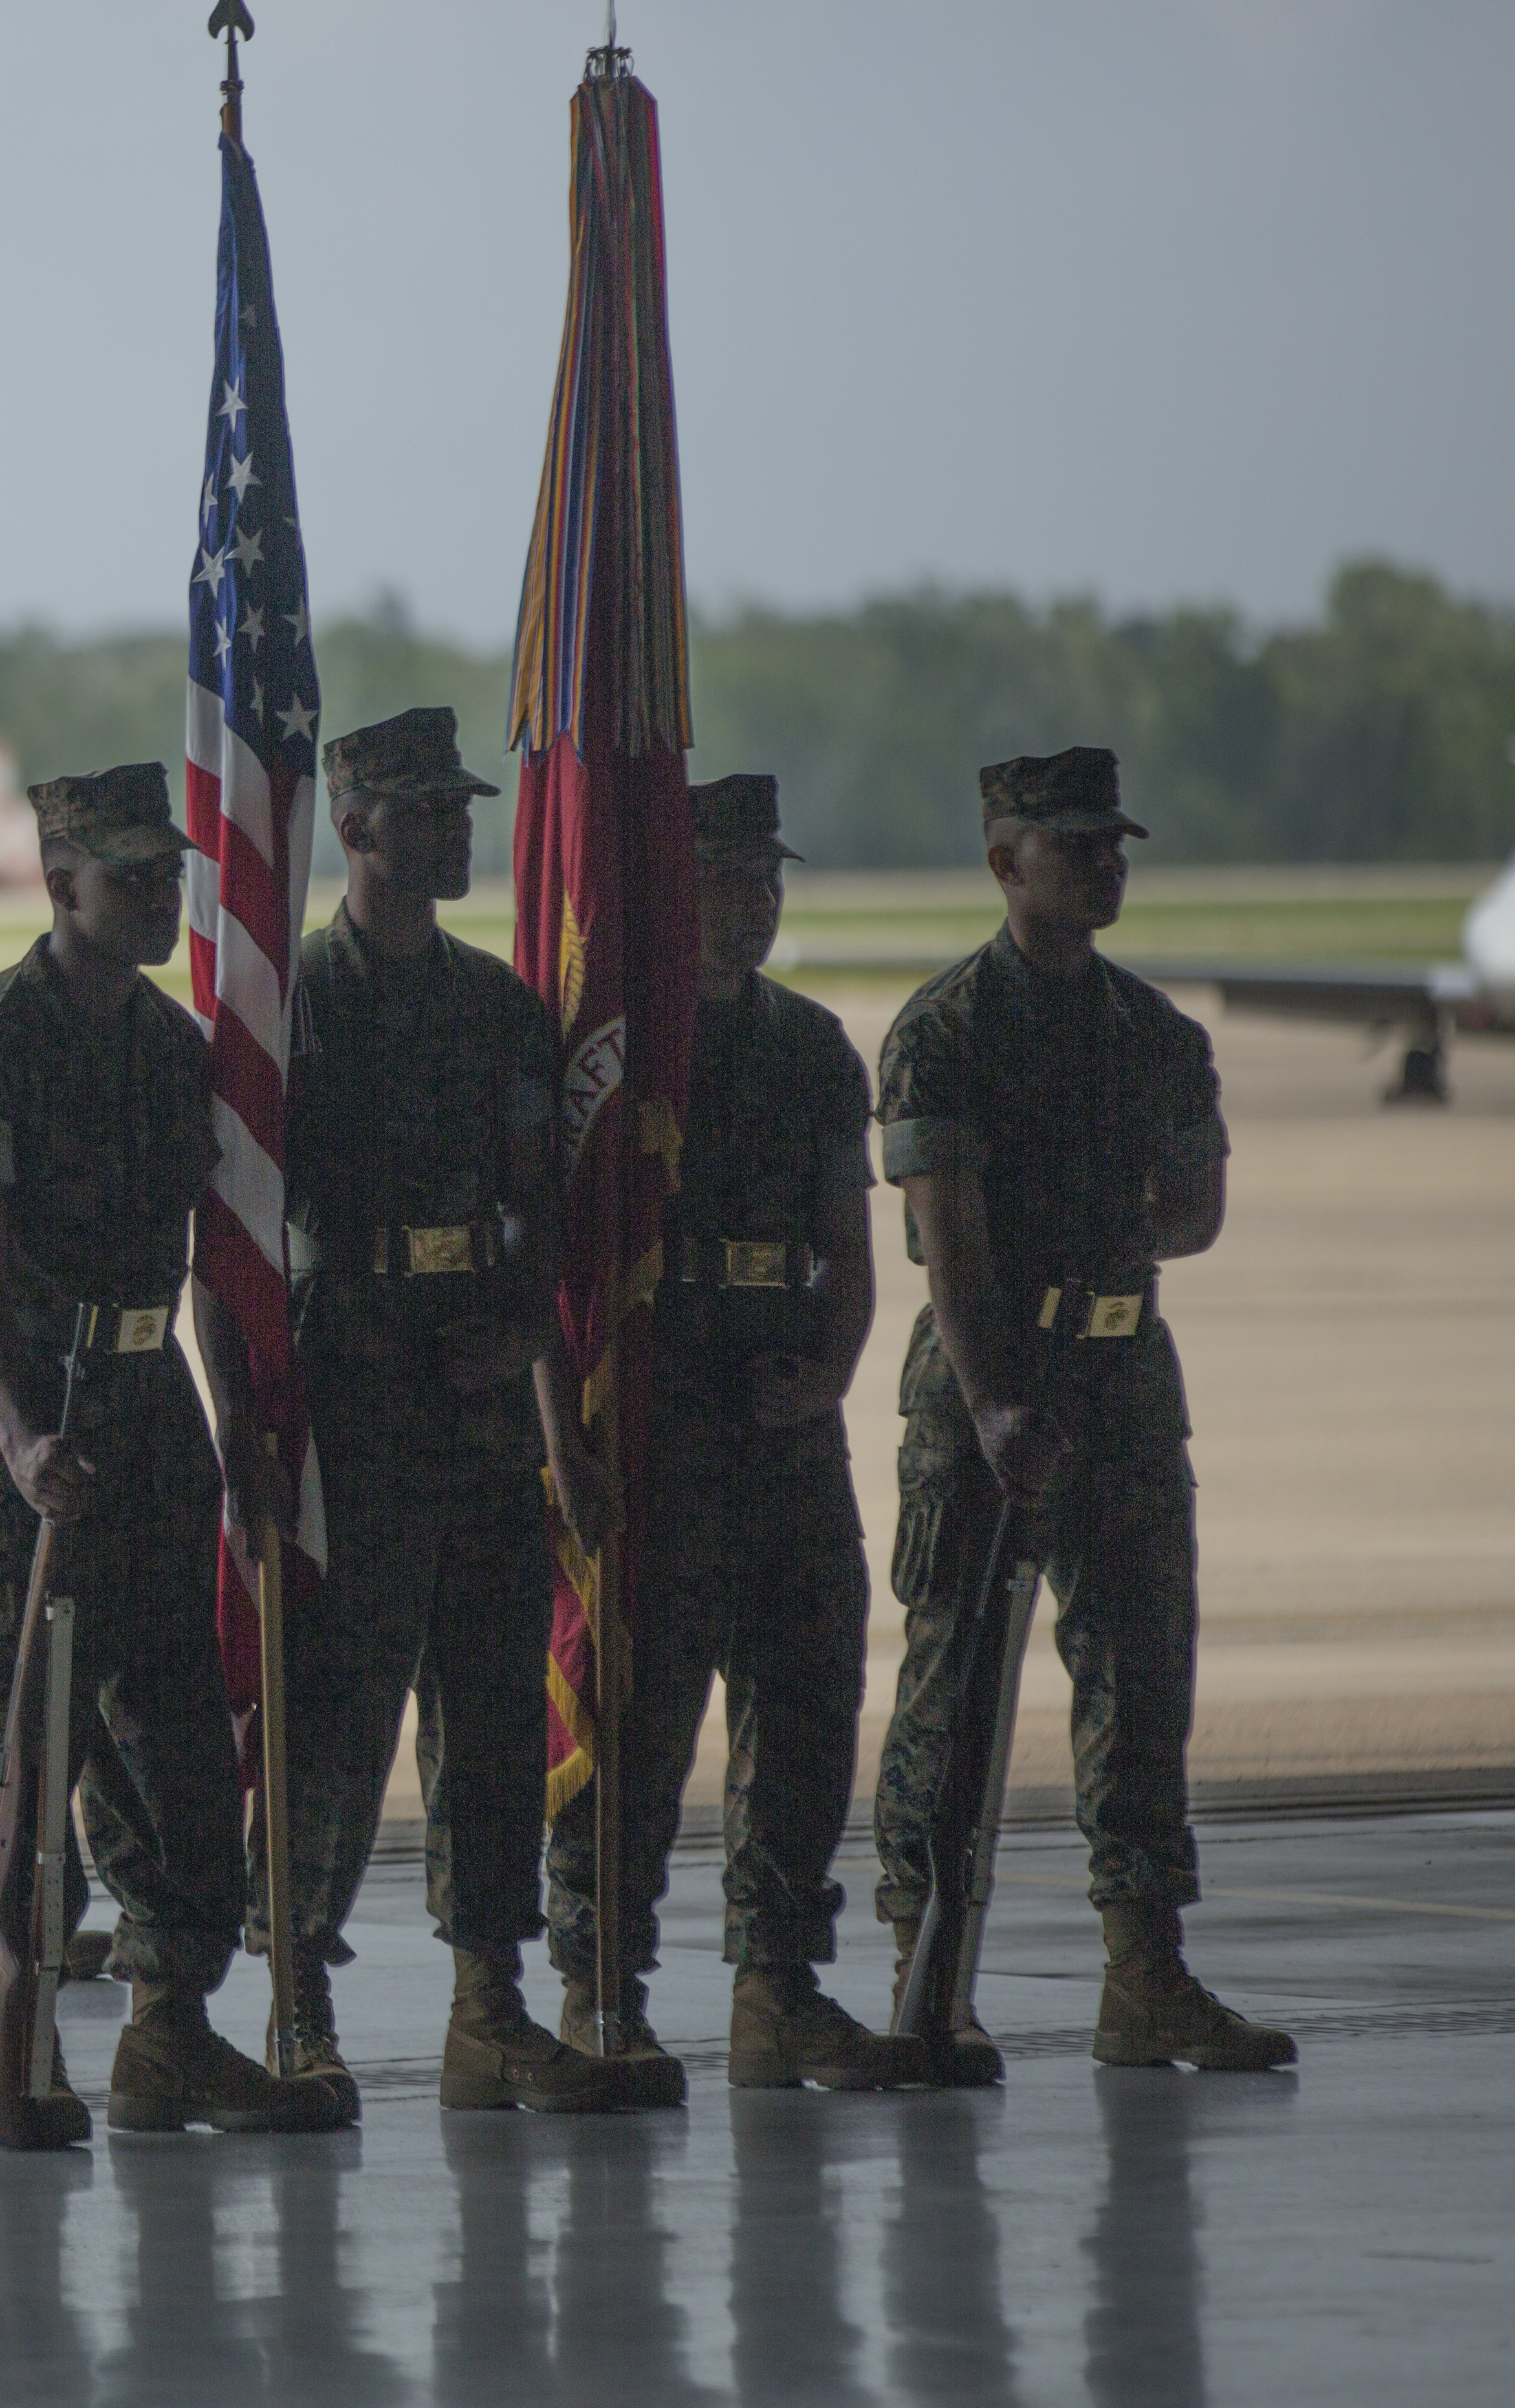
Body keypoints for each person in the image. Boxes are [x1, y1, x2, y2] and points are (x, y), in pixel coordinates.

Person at [0, 762, 343, 2136]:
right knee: (21, 1747)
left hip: (151, 1412)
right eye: (131, 879)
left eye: (171, 878)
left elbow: (211, 1264)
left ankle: (168, 2031)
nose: (161, 899)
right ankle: (18, 2029)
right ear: (59, 882)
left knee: (179, 1744)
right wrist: (22, 1431)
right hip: (28, 1421)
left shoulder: (173, 1048)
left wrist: (242, 1427)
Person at [197, 707, 608, 2119]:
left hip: (478, 1396)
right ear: (355, 830)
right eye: (425, 811)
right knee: (336, 1711)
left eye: (461, 807)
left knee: (489, 1704)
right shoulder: (290, 1006)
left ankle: (487, 2003)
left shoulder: (497, 1006)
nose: (456, 830)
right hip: (345, 1390)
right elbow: (233, 1232)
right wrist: (245, 1433)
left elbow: (539, 1200)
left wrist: (525, 1330)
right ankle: (296, 1987)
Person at [870, 745, 1294, 2079]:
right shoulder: (942, 1032)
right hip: (989, 1385)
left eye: (1114, 846)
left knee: (1140, 1682)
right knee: (953, 1692)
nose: (1106, 866)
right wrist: (997, 1404)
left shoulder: (1155, 1034)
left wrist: (1083, 1236)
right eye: (1077, 846)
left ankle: (1145, 1974)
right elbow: (952, 1250)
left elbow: (1196, 1214)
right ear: (1006, 861)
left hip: (1119, 1381)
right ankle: (924, 1965)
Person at [545, 774, 924, 2092]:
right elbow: (561, 1262)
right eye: (719, 881)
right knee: (641, 1709)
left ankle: (776, 1986)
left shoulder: (811, 1048)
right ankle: (605, 1981)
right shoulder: (614, 1048)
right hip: (661, 1406)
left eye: (764, 882)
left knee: (811, 1685)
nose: (746, 906)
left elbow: (849, 1251)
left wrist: (826, 1375)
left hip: (780, 1405)